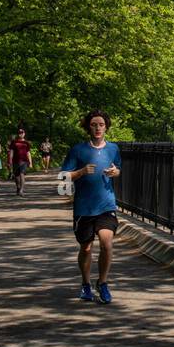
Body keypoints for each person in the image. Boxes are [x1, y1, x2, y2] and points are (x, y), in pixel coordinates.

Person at [61, 110, 122, 303]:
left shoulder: (113, 148)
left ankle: (103, 283)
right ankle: (86, 284)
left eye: (101, 125)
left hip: (106, 203)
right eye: (94, 124)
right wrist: (81, 171)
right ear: (89, 127)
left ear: (106, 127)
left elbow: (118, 168)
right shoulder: (78, 150)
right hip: (84, 207)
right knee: (86, 248)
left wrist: (115, 172)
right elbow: (63, 176)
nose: (97, 128)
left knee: (107, 243)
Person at [9, 126, 33, 195]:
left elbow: (28, 153)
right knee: (16, 175)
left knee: (22, 174)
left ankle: (21, 190)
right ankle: (18, 188)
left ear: (24, 133)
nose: (20, 134)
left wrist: (30, 162)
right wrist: (10, 160)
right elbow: (11, 151)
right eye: (19, 133)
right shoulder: (14, 142)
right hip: (15, 160)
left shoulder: (26, 143)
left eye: (22, 132)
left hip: (24, 161)